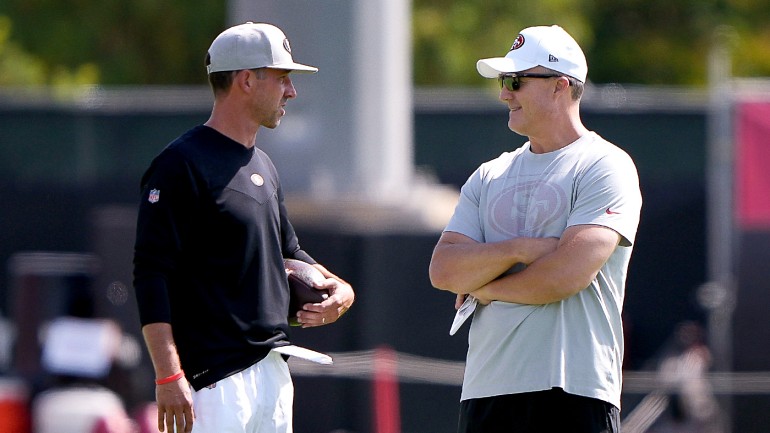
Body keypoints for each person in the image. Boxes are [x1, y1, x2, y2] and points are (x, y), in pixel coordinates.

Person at [133, 22, 355, 433]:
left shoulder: (264, 165)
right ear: (247, 80)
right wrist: (168, 376)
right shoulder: (180, 164)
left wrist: (341, 288)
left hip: (272, 369)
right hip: (212, 380)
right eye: (282, 78)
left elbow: (288, 250)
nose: (292, 91)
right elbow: (150, 273)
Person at [428, 25, 642, 433]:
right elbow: (444, 270)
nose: (504, 94)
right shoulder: (489, 175)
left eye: (515, 81)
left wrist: (484, 287)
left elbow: (566, 275)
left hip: (573, 390)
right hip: (485, 390)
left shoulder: (604, 165)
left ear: (560, 86)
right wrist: (521, 249)